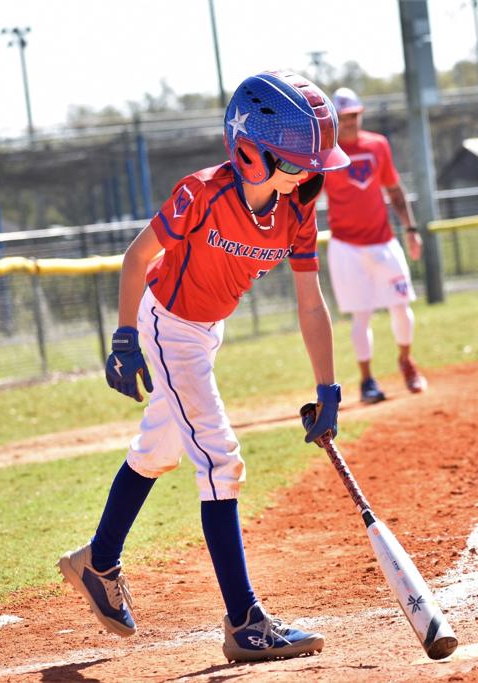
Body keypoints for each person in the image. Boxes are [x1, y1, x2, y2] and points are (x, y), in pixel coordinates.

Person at [57, 70, 348, 663]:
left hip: (206, 332)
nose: (307, 174)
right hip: (167, 324)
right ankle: (244, 621)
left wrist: (328, 388)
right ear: (250, 152)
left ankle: (97, 561)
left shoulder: (297, 213)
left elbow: (311, 303)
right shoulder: (201, 193)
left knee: (161, 451)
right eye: (296, 163)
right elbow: (138, 257)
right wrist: (124, 337)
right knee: (219, 458)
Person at [321, 87, 427, 403]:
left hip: (383, 241)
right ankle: (367, 380)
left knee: (402, 306)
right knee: (361, 315)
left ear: (360, 114)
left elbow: (394, 190)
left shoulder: (377, 145)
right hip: (346, 247)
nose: (350, 122)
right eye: (343, 118)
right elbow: (307, 198)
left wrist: (410, 229)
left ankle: (406, 361)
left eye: (353, 115)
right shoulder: (326, 154)